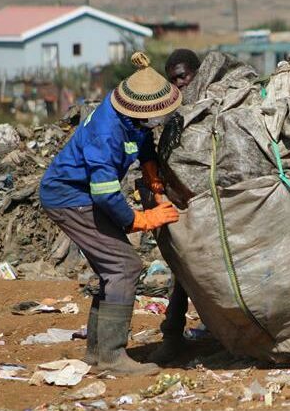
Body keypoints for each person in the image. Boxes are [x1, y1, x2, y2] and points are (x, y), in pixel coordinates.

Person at [40, 52, 182, 375]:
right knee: (123, 267)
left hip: (81, 193)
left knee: (112, 267)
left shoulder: (130, 117)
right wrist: (141, 220)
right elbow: (105, 194)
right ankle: (113, 357)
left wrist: (151, 171)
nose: (159, 120)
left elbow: (142, 139)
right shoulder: (106, 134)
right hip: (68, 197)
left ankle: (95, 352)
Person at [147, 48, 201, 366]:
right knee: (183, 267)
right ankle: (172, 333)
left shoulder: (221, 100)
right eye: (174, 80)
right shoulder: (175, 115)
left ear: (197, 72)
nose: (179, 84)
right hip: (188, 203)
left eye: (184, 76)